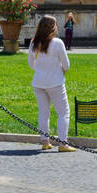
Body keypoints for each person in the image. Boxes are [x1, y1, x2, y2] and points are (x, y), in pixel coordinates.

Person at [28, 15, 75, 152]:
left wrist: (42, 70)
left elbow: (31, 64)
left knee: (43, 112)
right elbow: (66, 64)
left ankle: (45, 141)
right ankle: (63, 144)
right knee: (63, 113)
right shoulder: (58, 43)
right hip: (55, 82)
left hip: (38, 81)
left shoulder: (33, 43)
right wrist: (60, 72)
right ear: (53, 27)